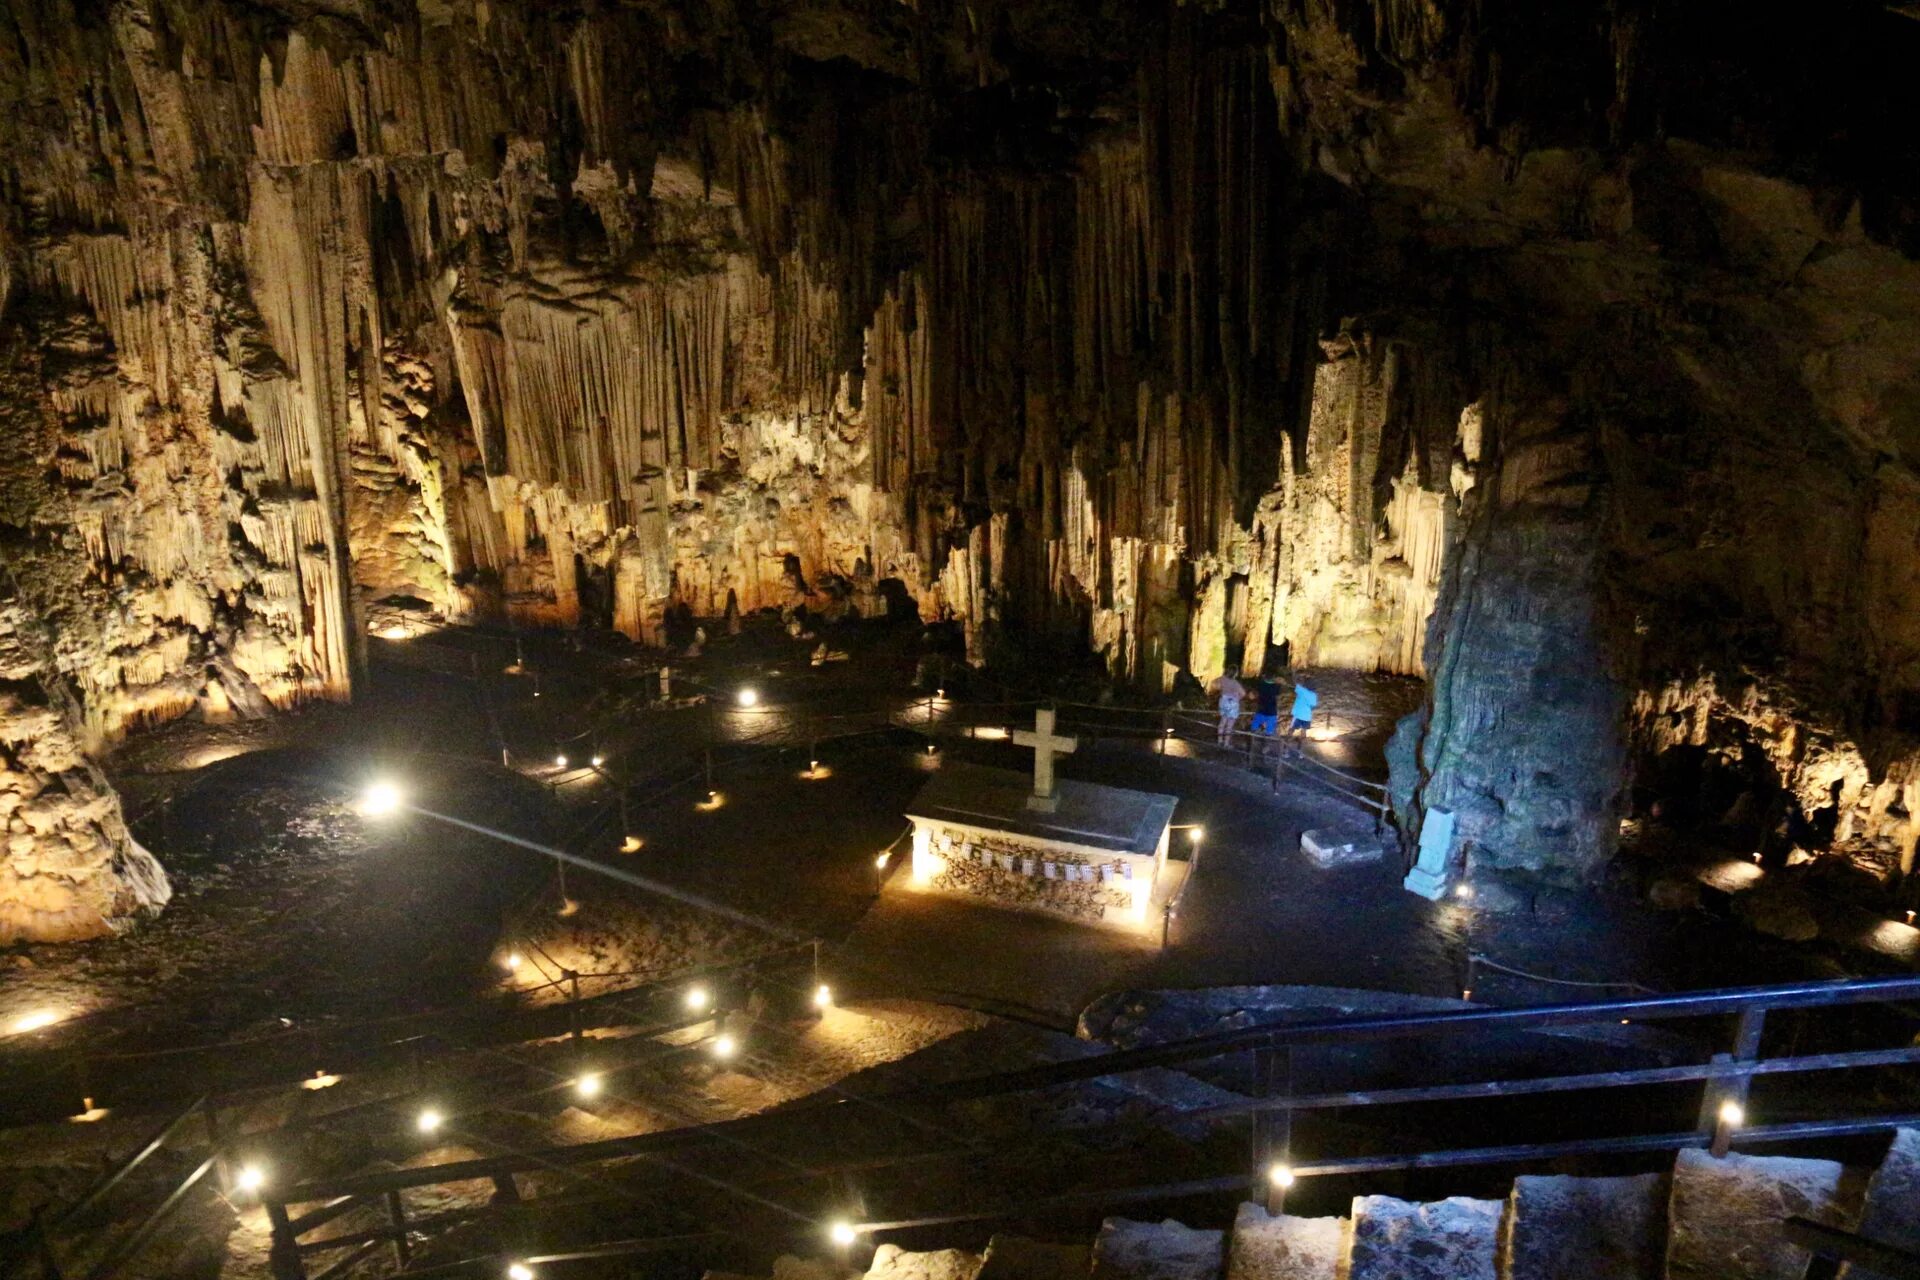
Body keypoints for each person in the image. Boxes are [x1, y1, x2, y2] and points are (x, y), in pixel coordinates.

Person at [1286, 677, 1320, 752]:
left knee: (1291, 731)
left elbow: (1294, 682)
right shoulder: (1314, 695)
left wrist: (1293, 673)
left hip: (1298, 715)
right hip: (1307, 717)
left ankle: (1286, 751)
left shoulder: (1301, 690)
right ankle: (1300, 752)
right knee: (1303, 733)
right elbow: (1312, 707)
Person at [1214, 673, 1246, 746]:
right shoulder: (1236, 683)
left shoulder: (1223, 679)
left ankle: (1219, 741)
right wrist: (1237, 698)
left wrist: (1221, 690)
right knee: (1229, 725)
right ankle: (1226, 743)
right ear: (1235, 674)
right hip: (1232, 704)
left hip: (1223, 702)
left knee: (1222, 722)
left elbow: (1214, 684)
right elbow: (1243, 693)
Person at [1250, 673, 1283, 741]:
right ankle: (1268, 734)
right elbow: (1278, 694)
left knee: (1257, 720)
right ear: (1273, 677)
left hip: (1261, 707)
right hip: (1271, 709)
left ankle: (1253, 730)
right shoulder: (1276, 686)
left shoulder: (1261, 684)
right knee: (1270, 724)